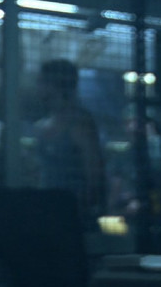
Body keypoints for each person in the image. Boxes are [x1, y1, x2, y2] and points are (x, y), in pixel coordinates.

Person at [29, 59, 106, 224]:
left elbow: (94, 176)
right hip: (45, 212)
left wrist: (82, 209)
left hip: (73, 215)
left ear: (54, 84)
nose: (36, 86)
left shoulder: (80, 124)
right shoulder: (40, 126)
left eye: (41, 81)